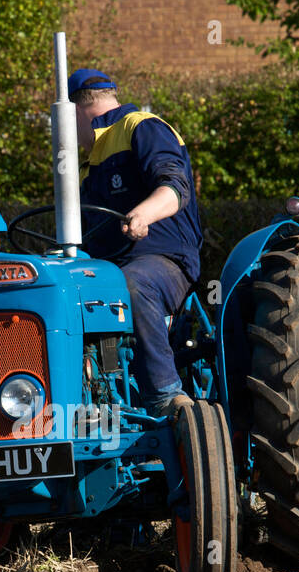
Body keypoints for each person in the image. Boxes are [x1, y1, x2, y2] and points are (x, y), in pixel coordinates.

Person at [67, 67, 202, 418]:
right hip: (105, 267)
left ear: (73, 113)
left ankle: (165, 394)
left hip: (162, 261)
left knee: (132, 283)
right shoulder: (89, 164)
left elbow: (175, 188)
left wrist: (143, 214)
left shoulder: (140, 127)